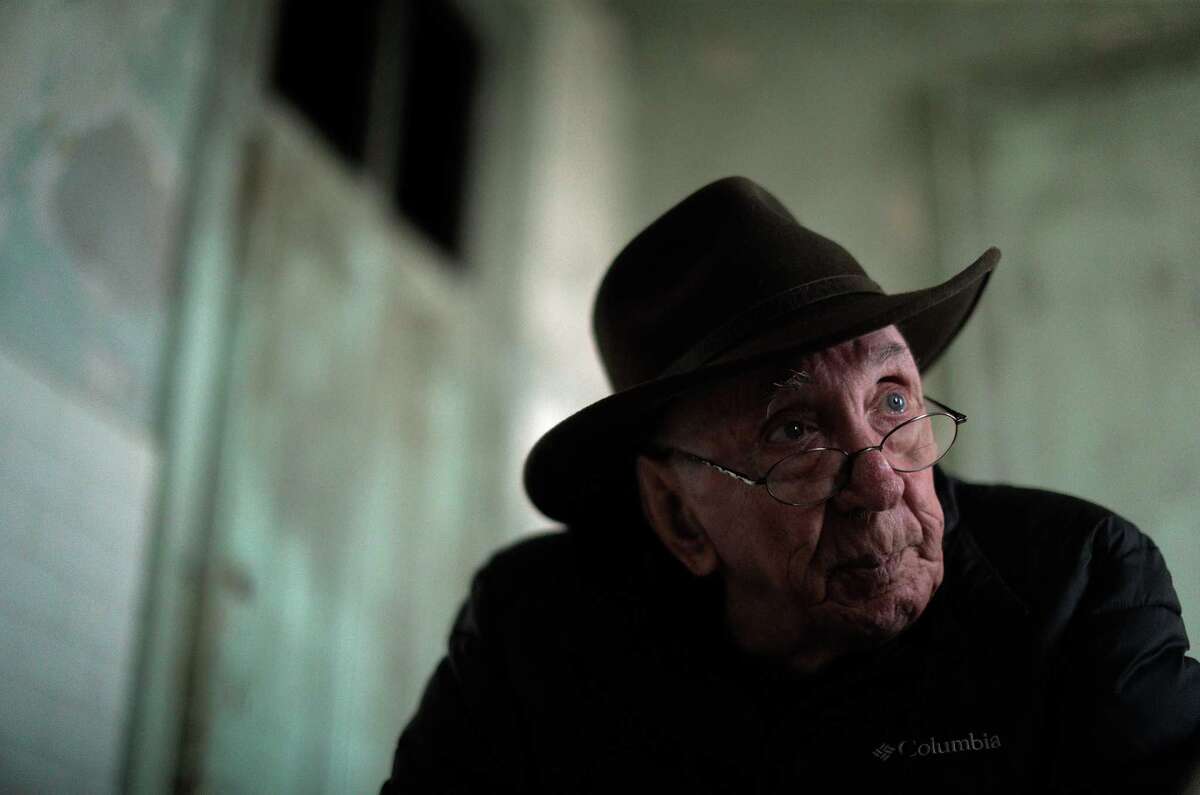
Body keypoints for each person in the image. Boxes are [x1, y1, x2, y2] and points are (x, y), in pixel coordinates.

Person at [383, 177, 1200, 793]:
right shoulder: (536, 635)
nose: (880, 483)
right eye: (796, 430)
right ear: (678, 516)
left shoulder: (1083, 584)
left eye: (892, 399)